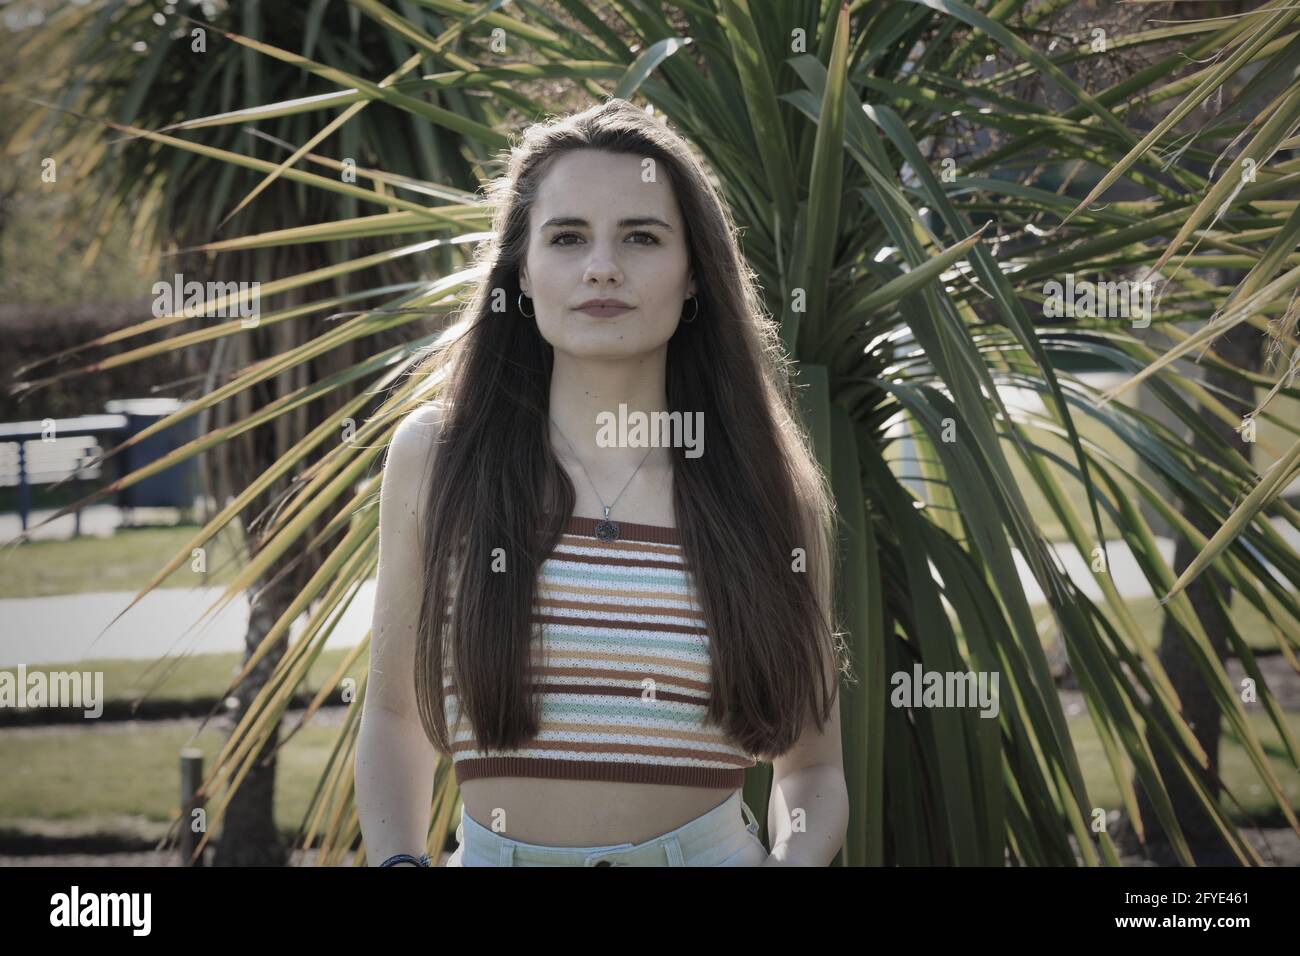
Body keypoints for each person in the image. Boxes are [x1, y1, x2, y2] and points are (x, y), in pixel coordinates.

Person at [354, 97, 850, 867]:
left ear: (694, 277)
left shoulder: (770, 491)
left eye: (642, 237)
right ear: (522, 268)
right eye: (568, 236)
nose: (602, 267)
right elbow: (393, 720)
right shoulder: (435, 457)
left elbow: (812, 768)